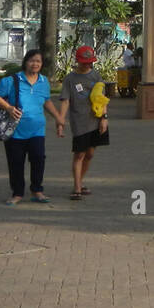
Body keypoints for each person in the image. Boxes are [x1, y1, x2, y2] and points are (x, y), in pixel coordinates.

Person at [0, 48, 64, 205]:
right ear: (25, 62)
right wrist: (9, 108)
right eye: (32, 60)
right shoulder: (13, 80)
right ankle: (17, 193)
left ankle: (37, 190)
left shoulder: (43, 81)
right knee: (16, 162)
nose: (35, 64)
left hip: (37, 130)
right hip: (15, 130)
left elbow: (46, 101)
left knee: (39, 158)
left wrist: (58, 118)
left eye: (38, 61)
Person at [58, 45, 109, 200]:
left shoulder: (96, 76)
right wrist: (61, 121)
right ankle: (77, 187)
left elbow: (102, 100)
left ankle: (80, 180)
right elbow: (65, 101)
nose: (87, 65)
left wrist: (104, 119)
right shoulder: (70, 79)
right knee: (79, 154)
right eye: (84, 62)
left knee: (90, 154)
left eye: (89, 62)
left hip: (95, 120)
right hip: (79, 122)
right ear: (77, 61)